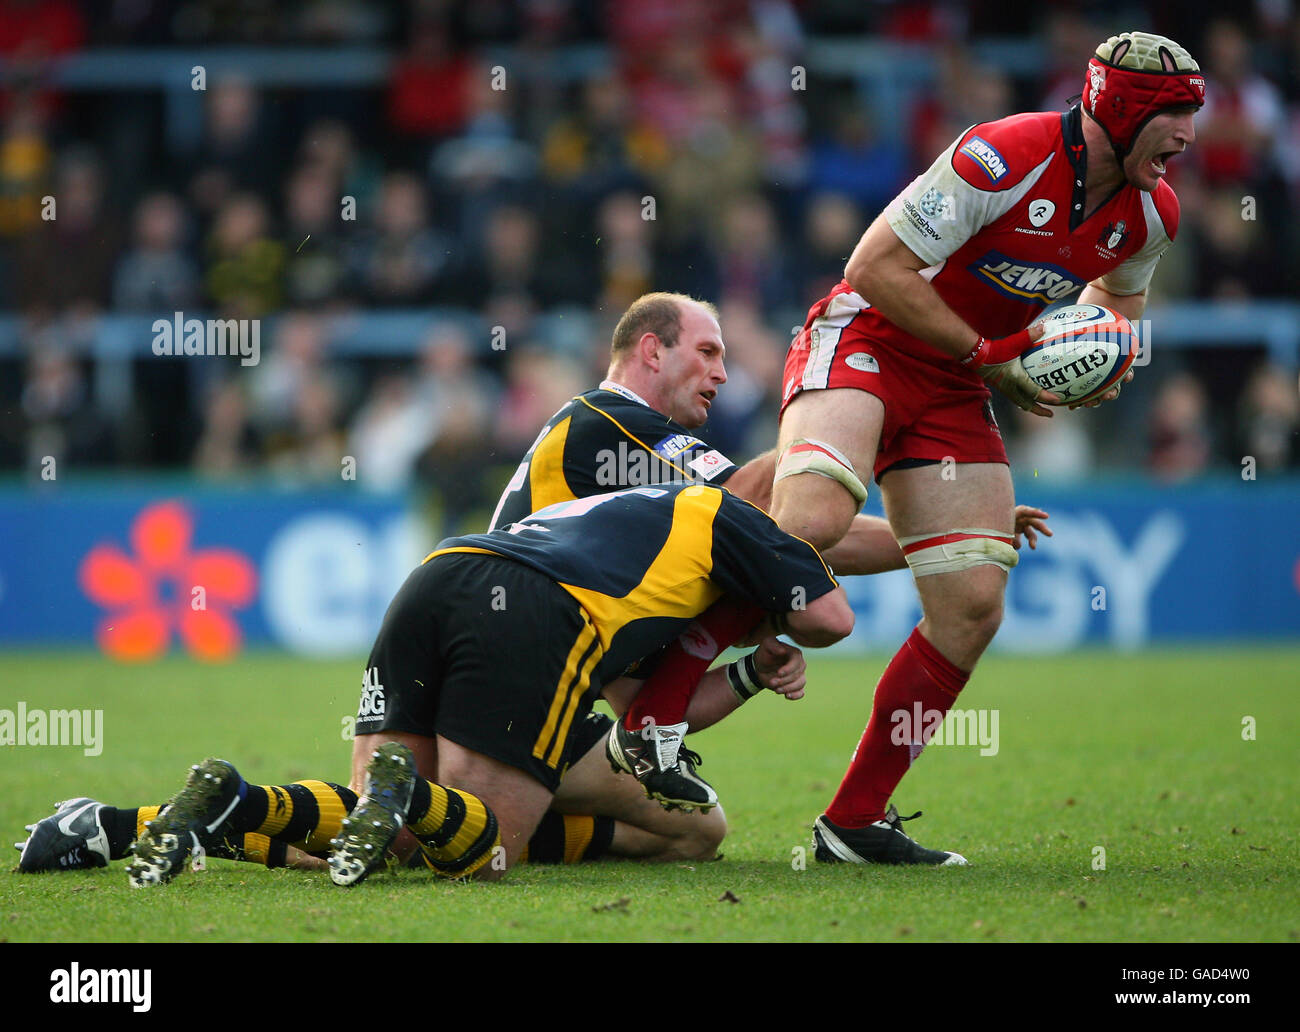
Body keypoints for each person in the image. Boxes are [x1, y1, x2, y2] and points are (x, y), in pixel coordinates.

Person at [621, 32, 1203, 865]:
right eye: (1174, 114)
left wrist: (1096, 363)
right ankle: (654, 715)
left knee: (972, 603)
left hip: (965, 382)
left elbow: (1115, 309)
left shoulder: (1153, 213)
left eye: (1194, 116)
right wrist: (990, 354)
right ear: (1122, 110)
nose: (1188, 137)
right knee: (812, 515)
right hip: (869, 340)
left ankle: (853, 824)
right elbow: (874, 266)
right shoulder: (1001, 155)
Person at [118, 483, 852, 887]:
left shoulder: (635, 535)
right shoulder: (733, 516)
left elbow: (643, 712)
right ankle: (402, 792)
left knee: (397, 839)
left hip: (437, 577)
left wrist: (753, 672)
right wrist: (760, 625)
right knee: (485, 849)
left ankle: (217, 803)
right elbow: (830, 618)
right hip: (538, 608)